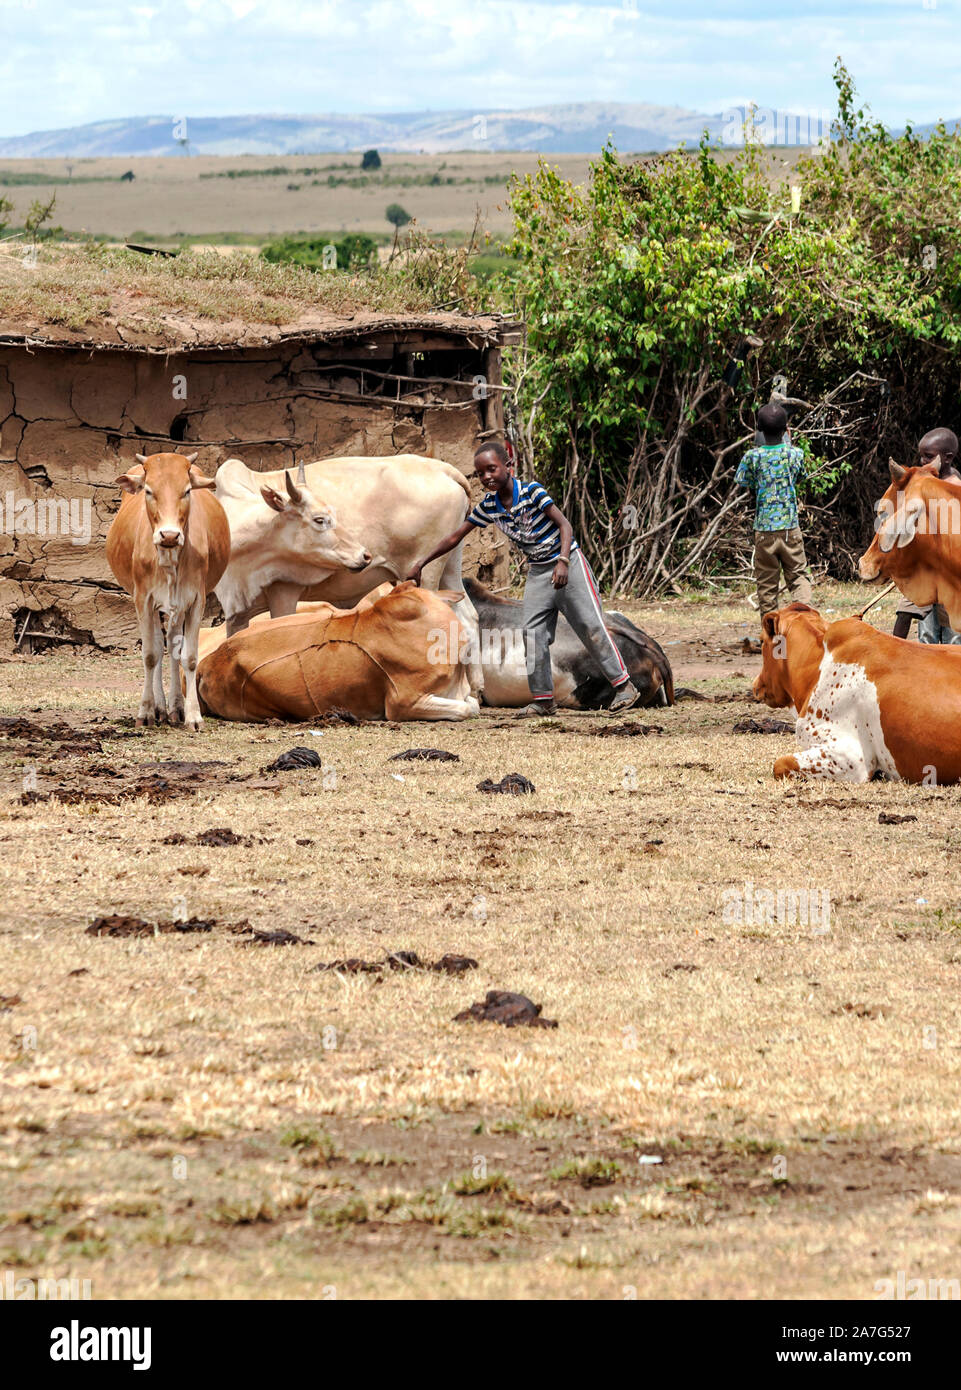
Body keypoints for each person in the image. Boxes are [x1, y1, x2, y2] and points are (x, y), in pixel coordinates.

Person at [405, 441, 643, 716]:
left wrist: (563, 562)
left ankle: (624, 686)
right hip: (539, 572)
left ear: (509, 466)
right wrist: (421, 562)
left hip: (569, 564)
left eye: (492, 469)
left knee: (590, 626)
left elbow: (564, 525)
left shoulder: (532, 492)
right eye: (481, 473)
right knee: (533, 635)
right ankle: (543, 701)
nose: (487, 477)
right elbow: (455, 536)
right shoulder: (490, 506)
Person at [735, 402, 812, 620]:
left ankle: (772, 639)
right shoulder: (795, 454)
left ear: (758, 429)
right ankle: (804, 625)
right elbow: (801, 477)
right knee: (798, 577)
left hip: (764, 530)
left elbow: (744, 481)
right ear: (787, 430)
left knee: (767, 586)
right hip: (790, 529)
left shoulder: (752, 457)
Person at [891, 428, 961, 642]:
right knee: (925, 629)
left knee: (952, 634)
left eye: (928, 457)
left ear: (947, 458)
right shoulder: (923, 483)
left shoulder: (954, 487)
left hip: (949, 575)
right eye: (921, 456)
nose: (922, 461)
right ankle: (897, 654)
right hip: (924, 571)